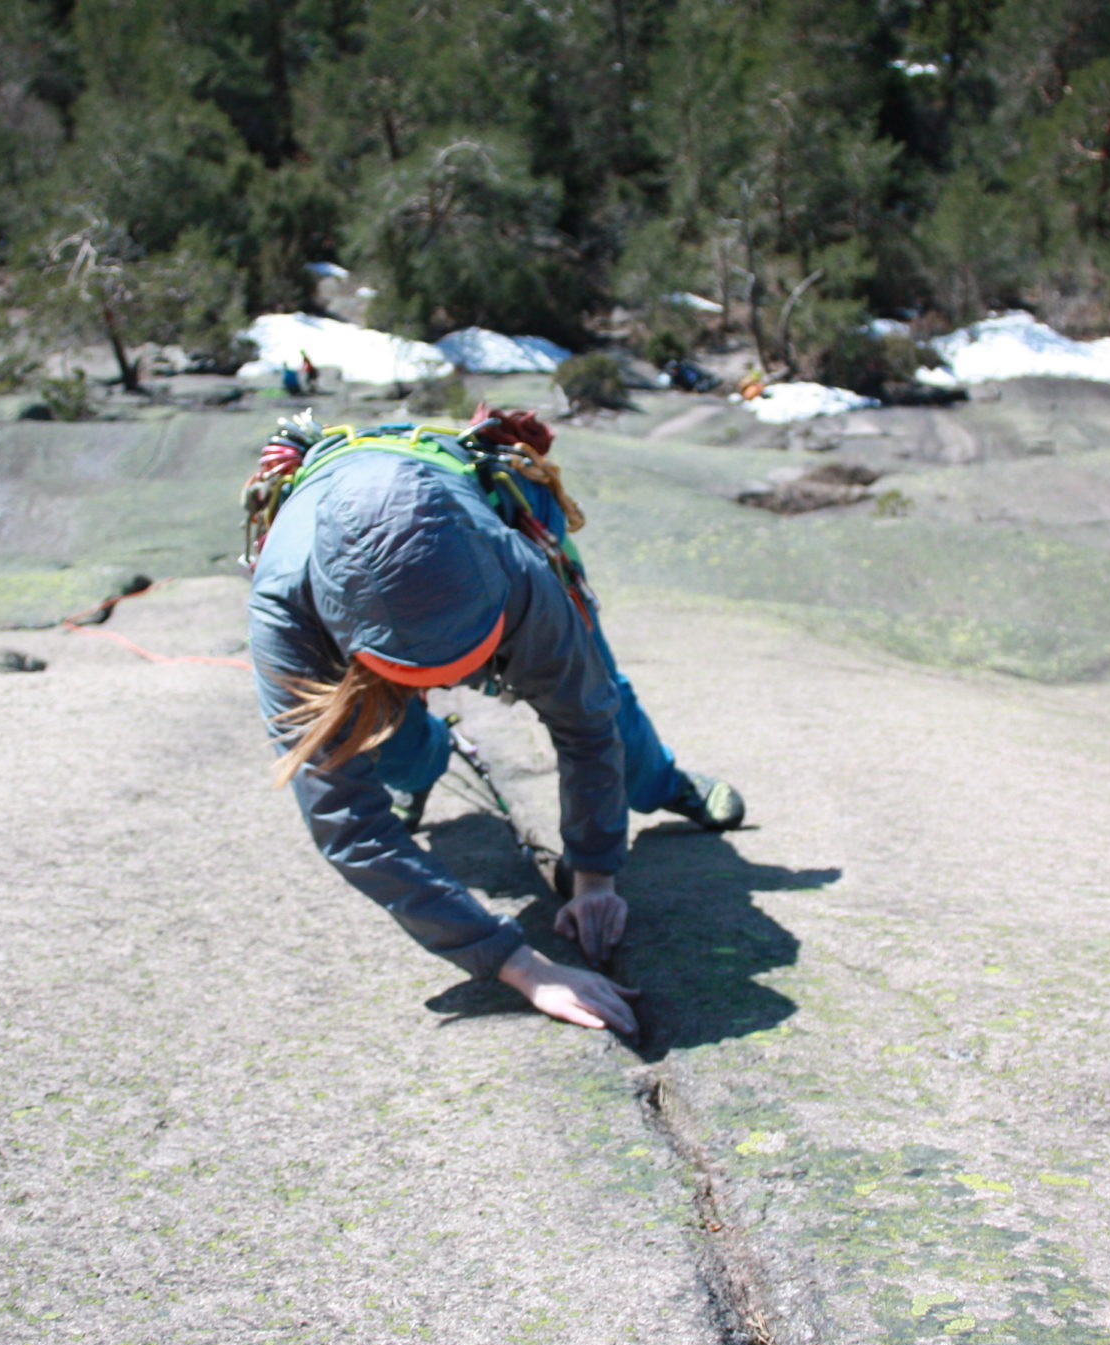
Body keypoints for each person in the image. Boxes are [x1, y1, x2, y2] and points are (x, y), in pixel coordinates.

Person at [246, 408, 744, 1035]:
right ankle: (421, 761)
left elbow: (586, 719)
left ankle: (662, 782)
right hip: (350, 592)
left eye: (468, 661)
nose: (451, 681)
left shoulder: (518, 567)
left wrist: (594, 875)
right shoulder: (286, 612)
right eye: (420, 674)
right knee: (384, 741)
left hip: (478, 505)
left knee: (603, 695)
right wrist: (518, 965)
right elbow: (346, 822)